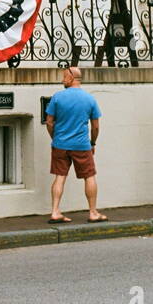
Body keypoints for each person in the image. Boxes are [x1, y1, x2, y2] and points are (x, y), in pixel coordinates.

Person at [44, 66, 107, 223]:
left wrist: (55, 138)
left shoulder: (57, 97)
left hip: (60, 145)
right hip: (82, 145)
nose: (62, 80)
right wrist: (93, 143)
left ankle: (55, 211)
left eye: (65, 77)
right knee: (90, 177)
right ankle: (93, 212)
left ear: (72, 78)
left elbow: (49, 122)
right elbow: (96, 126)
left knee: (60, 177)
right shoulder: (89, 99)